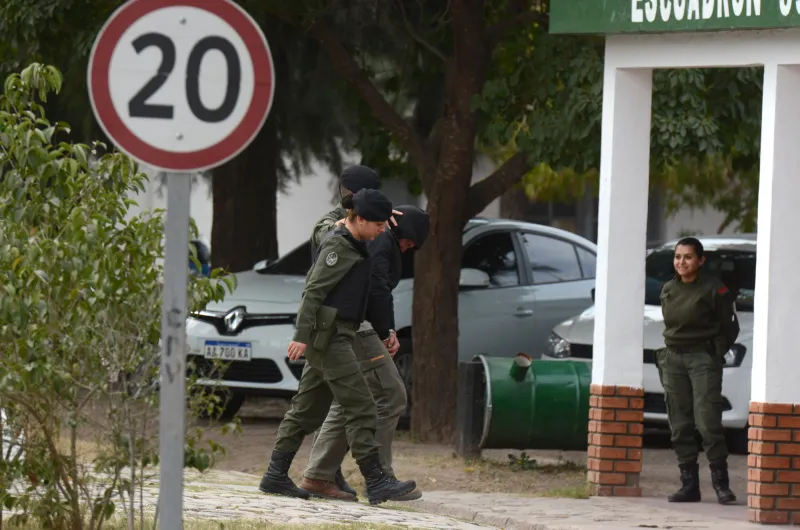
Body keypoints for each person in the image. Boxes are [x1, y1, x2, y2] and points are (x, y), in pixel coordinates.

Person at [258, 189, 417, 505]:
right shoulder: (338, 246)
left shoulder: (355, 244)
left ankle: (275, 475)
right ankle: (376, 480)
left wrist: (385, 329)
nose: (382, 231)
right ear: (359, 219)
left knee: (306, 409)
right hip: (331, 339)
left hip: (335, 335)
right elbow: (313, 292)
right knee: (361, 405)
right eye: (378, 224)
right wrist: (301, 335)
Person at [300, 205, 430, 501]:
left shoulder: (375, 236)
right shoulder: (380, 239)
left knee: (351, 398)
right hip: (358, 327)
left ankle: (321, 472)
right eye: (410, 241)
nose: (409, 249)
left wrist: (390, 329)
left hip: (352, 325)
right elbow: (377, 290)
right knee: (391, 395)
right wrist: (386, 331)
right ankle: (378, 476)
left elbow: (382, 288)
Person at [656, 237, 739, 505]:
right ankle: (689, 485)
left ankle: (721, 485)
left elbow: (730, 328)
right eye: (678, 257)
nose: (682, 262)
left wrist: (713, 353)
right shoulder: (669, 288)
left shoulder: (715, 289)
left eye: (688, 257)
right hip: (673, 359)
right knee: (679, 424)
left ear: (700, 261)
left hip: (702, 359)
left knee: (707, 422)